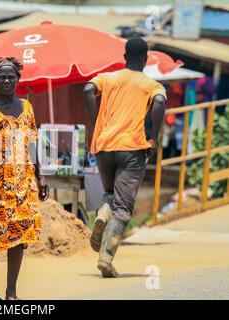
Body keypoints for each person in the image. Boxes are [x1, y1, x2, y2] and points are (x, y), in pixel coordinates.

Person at [83, 38, 166, 278]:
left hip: (105, 145)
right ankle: (106, 258)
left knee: (110, 193)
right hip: (131, 148)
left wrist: (94, 124)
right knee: (124, 207)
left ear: (124, 56)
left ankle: (101, 216)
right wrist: (154, 137)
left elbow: (88, 89)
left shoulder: (108, 78)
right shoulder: (151, 85)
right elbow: (159, 103)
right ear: (146, 58)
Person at [0, 56, 49, 300]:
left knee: (19, 236)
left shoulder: (27, 108)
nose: (7, 80)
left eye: (11, 76)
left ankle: (11, 292)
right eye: (2, 76)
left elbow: (33, 144)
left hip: (23, 184)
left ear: (18, 79)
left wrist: (41, 176)